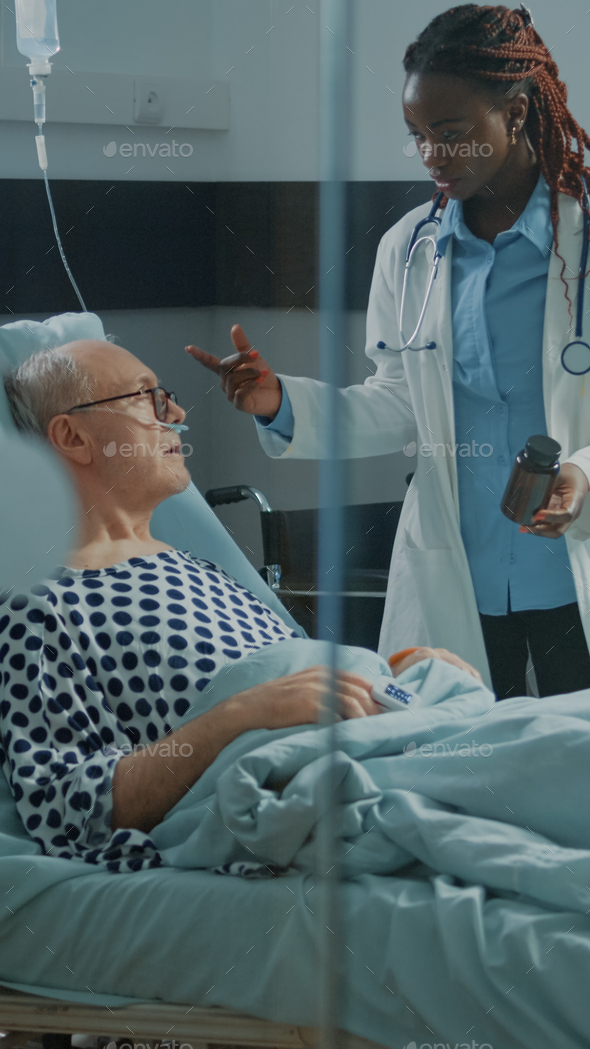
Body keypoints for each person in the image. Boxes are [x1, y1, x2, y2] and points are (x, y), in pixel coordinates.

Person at [187, 3, 590, 701]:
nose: (432, 155)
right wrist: (280, 401)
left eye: (451, 132)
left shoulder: (578, 241)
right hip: (457, 568)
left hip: (573, 564)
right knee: (465, 764)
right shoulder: (410, 250)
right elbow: (400, 400)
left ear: (517, 113)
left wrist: (582, 474)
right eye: (417, 136)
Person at [0, 339, 479, 873]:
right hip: (321, 784)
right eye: (146, 399)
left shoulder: (201, 570)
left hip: (375, 744)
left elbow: (298, 685)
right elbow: (68, 811)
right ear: (73, 436)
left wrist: (390, 677)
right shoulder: (40, 608)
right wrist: (240, 715)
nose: (177, 415)